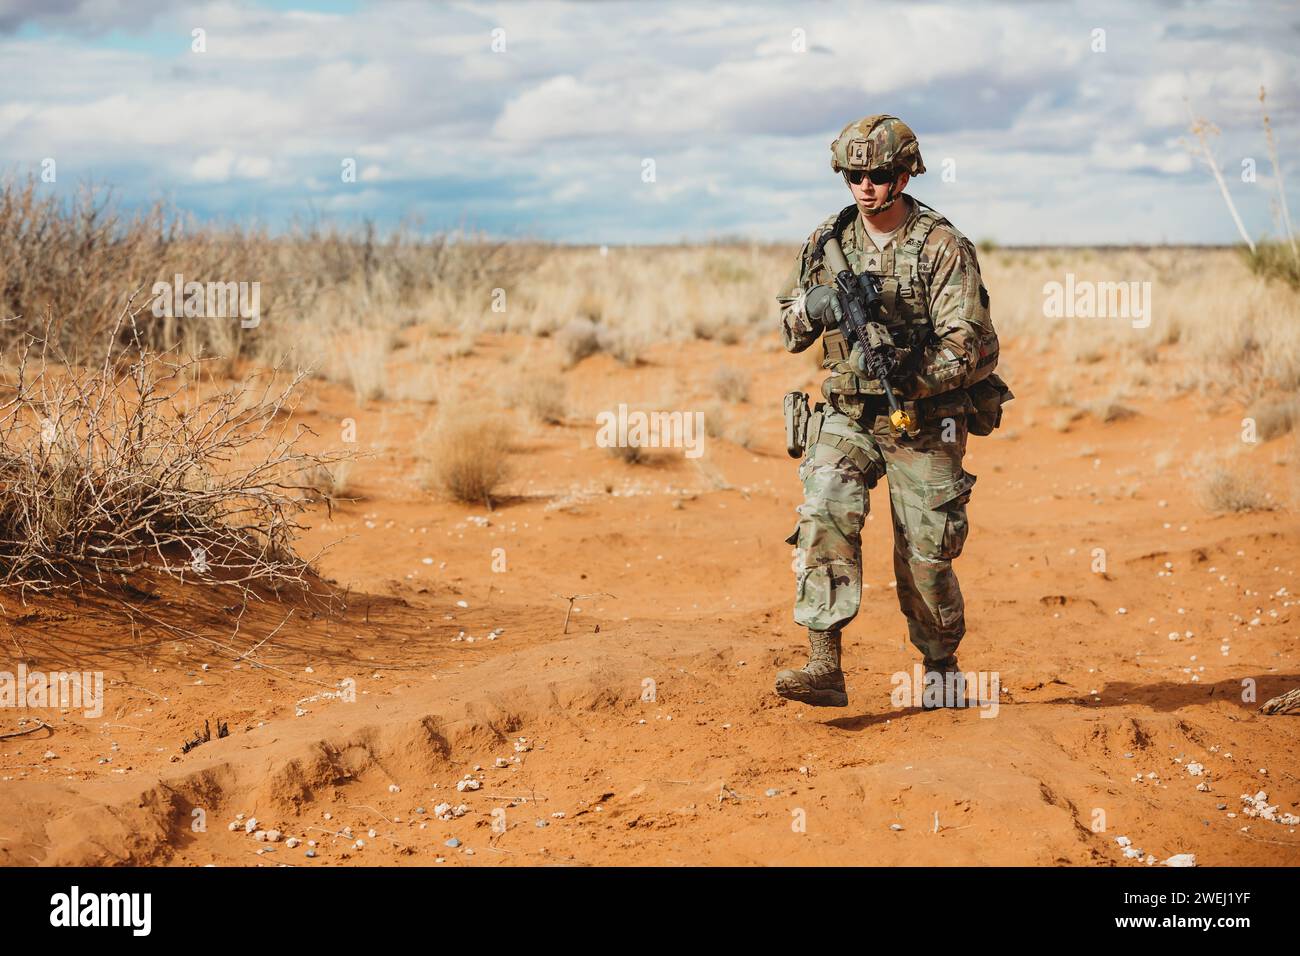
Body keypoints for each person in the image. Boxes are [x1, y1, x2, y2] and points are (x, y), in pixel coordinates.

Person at [774, 114, 1011, 708]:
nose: (865, 186)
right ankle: (824, 663)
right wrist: (815, 306)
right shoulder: (827, 240)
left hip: (924, 417)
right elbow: (788, 329)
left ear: (905, 175)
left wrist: (913, 370)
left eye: (878, 174)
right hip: (850, 411)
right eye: (853, 174)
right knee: (824, 509)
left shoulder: (942, 245)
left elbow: (976, 347)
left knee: (926, 554)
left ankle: (940, 665)